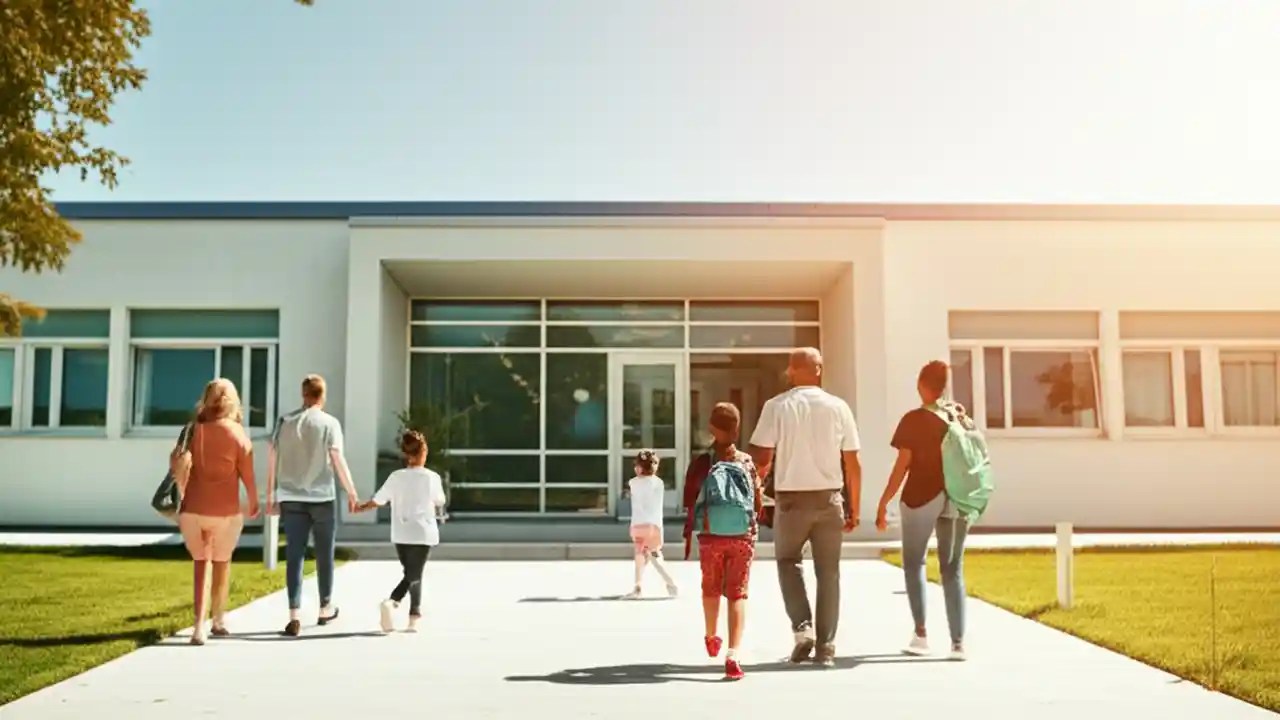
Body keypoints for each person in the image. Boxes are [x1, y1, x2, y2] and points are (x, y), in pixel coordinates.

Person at [749, 347, 861, 667]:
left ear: (791, 371)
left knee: (787, 562)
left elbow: (762, 461)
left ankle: (803, 630)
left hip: (791, 501)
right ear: (819, 369)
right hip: (830, 499)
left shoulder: (777, 406)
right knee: (829, 574)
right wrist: (854, 508)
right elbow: (853, 463)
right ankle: (826, 648)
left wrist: (757, 497)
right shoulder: (839, 407)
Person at [876, 360, 970, 661]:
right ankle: (957, 644)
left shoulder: (913, 420)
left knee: (915, 563)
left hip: (920, 497)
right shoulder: (958, 416)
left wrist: (883, 502)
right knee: (952, 569)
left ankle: (921, 635)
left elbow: (902, 466)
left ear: (920, 384)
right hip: (957, 499)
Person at [266, 374, 360, 637]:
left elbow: (272, 456)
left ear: (303, 394)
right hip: (322, 498)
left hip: (290, 496)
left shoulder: (284, 422)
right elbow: (337, 458)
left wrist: (271, 494)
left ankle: (294, 614)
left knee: (294, 555)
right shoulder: (330, 423)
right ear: (323, 395)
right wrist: (351, 491)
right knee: (324, 554)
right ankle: (325, 607)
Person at [173, 379, 260, 646]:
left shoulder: (192, 430)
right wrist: (254, 502)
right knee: (221, 563)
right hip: (226, 512)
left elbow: (178, 464)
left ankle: (198, 627)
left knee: (201, 562)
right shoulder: (238, 435)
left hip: (192, 510)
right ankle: (218, 621)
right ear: (233, 402)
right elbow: (247, 477)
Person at [682, 403, 763, 681]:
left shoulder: (703, 462)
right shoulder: (746, 462)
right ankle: (734, 653)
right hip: (741, 535)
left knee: (711, 587)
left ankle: (711, 635)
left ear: (712, 428)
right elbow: (757, 501)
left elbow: (689, 500)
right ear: (737, 428)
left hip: (710, 535)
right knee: (738, 592)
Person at [353, 430, 446, 634]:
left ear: (406, 454)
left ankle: (398, 606)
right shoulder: (432, 477)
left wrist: (360, 507)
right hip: (422, 532)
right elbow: (440, 500)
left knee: (411, 573)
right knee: (415, 575)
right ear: (423, 453)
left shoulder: (395, 477)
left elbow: (378, 500)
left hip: (401, 533)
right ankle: (405, 611)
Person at [623, 449, 678, 599]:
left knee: (640, 554)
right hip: (653, 526)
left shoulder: (633, 482)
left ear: (640, 468)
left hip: (638, 525)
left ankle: (638, 586)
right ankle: (671, 583)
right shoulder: (658, 483)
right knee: (655, 555)